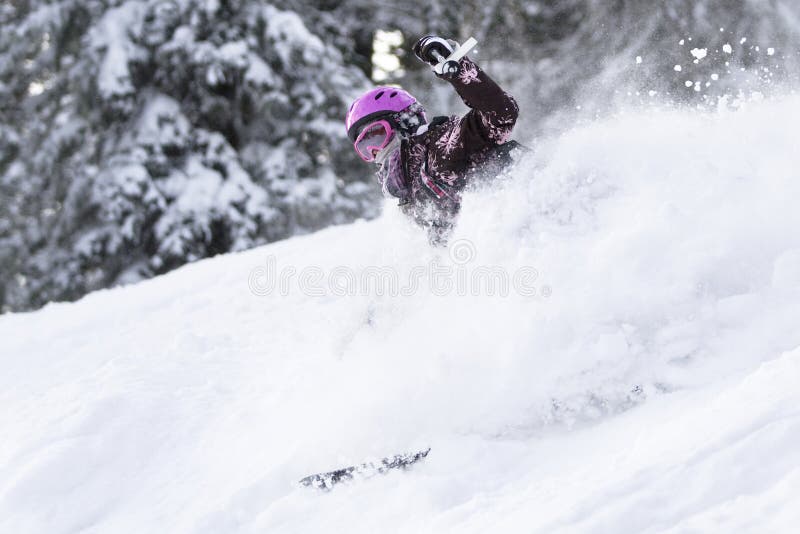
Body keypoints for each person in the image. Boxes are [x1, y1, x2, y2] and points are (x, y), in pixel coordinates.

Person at [345, 35, 520, 245]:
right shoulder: (409, 199)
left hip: (526, 222)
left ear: (405, 122)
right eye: (364, 147)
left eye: (376, 135)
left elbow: (501, 114)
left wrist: (459, 71)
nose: (374, 151)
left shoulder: (441, 146)